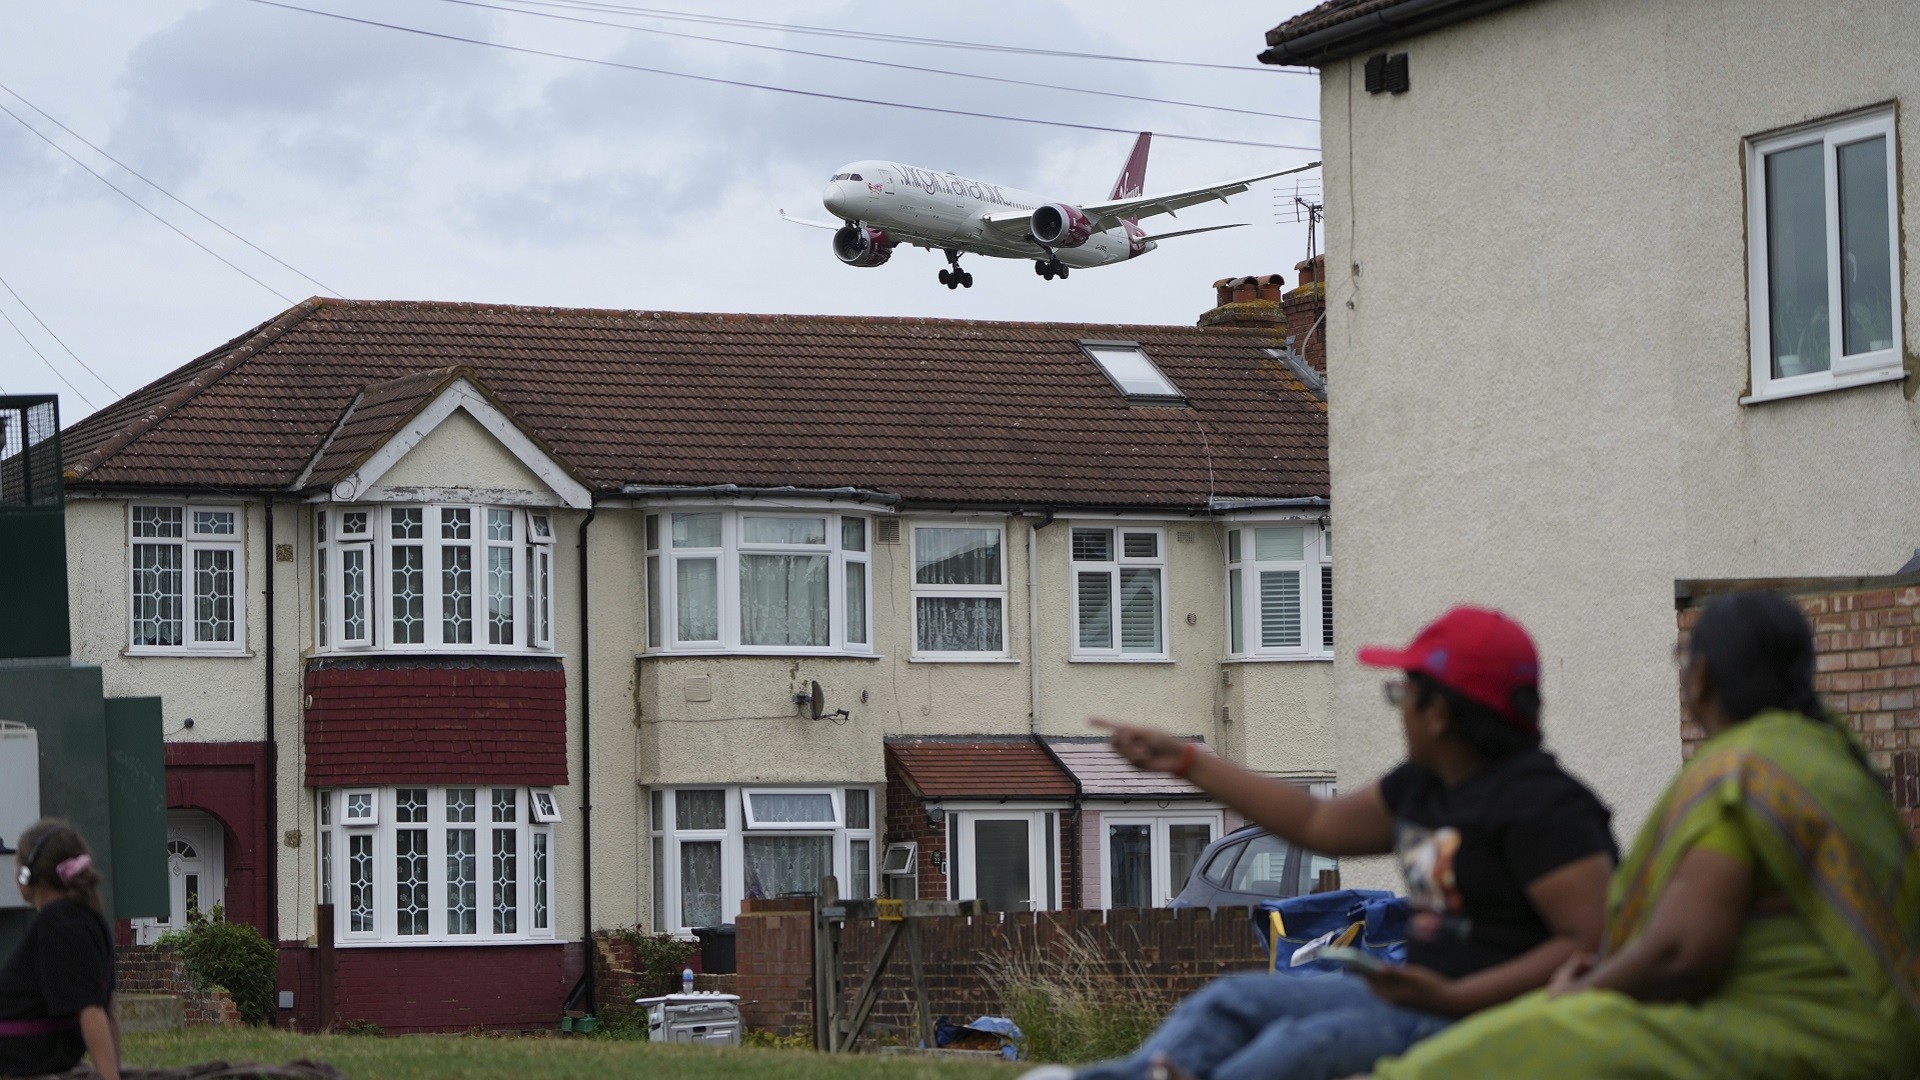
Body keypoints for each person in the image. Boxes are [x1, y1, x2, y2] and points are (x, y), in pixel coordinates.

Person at [1047, 606, 1617, 1080]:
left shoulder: (1547, 806)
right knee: (1229, 1003)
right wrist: (1187, 761)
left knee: (1293, 1049)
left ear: (1440, 712)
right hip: (1414, 999)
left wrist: (1455, 999)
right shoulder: (1424, 784)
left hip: (1491, 1020)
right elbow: (1318, 824)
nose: (1400, 713)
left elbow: (1585, 944)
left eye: (1403, 695)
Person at [1369, 591, 1920, 1078]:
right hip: (1885, 1031)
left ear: (1700, 675)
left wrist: (1579, 993)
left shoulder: (1742, 771)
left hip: (1814, 1037)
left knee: (1529, 1039)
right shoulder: (1832, 760)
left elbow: (1680, 952)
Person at [0, 820, 118, 1080]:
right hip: (49, 1051)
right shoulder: (90, 918)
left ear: (26, 875)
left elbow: (91, 1009)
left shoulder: (58, 921)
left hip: (20, 1050)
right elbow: (107, 1009)